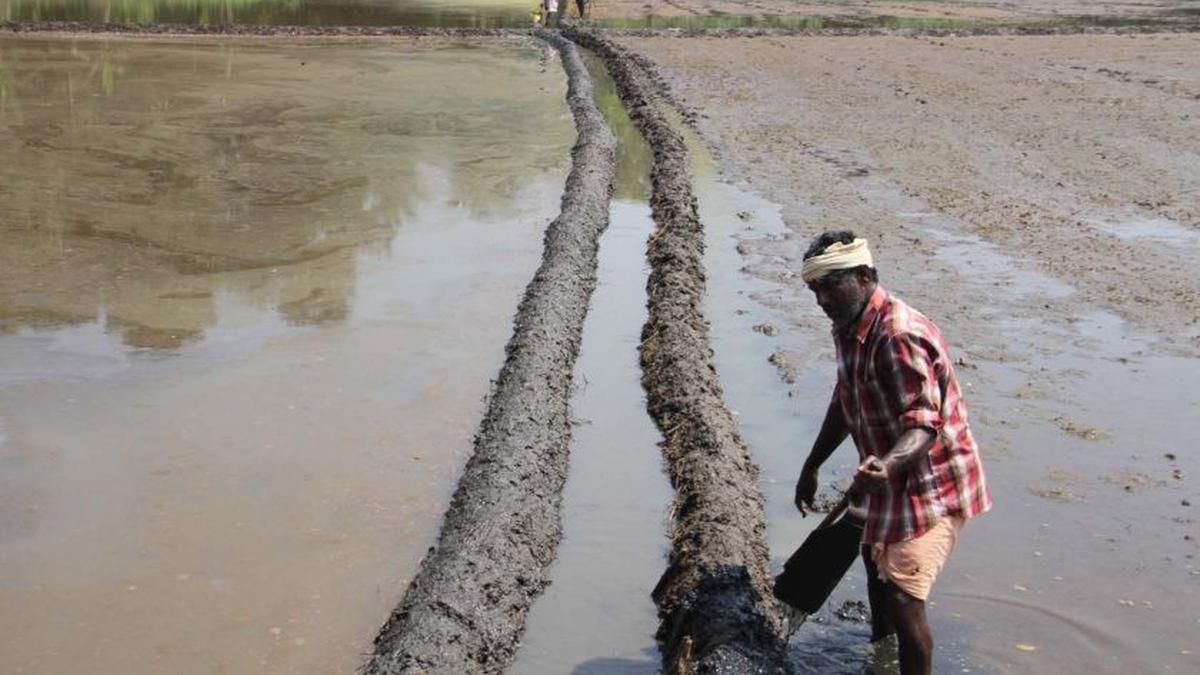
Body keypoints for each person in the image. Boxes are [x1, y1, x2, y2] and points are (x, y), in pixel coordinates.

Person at [794, 230, 992, 675]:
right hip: (886, 474)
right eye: (815, 290)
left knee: (904, 597)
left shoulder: (899, 335)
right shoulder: (848, 327)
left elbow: (923, 424)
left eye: (830, 285)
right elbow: (845, 400)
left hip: (930, 481)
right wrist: (812, 465)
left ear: (865, 276)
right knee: (874, 566)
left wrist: (885, 466)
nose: (821, 299)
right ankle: (882, 658)